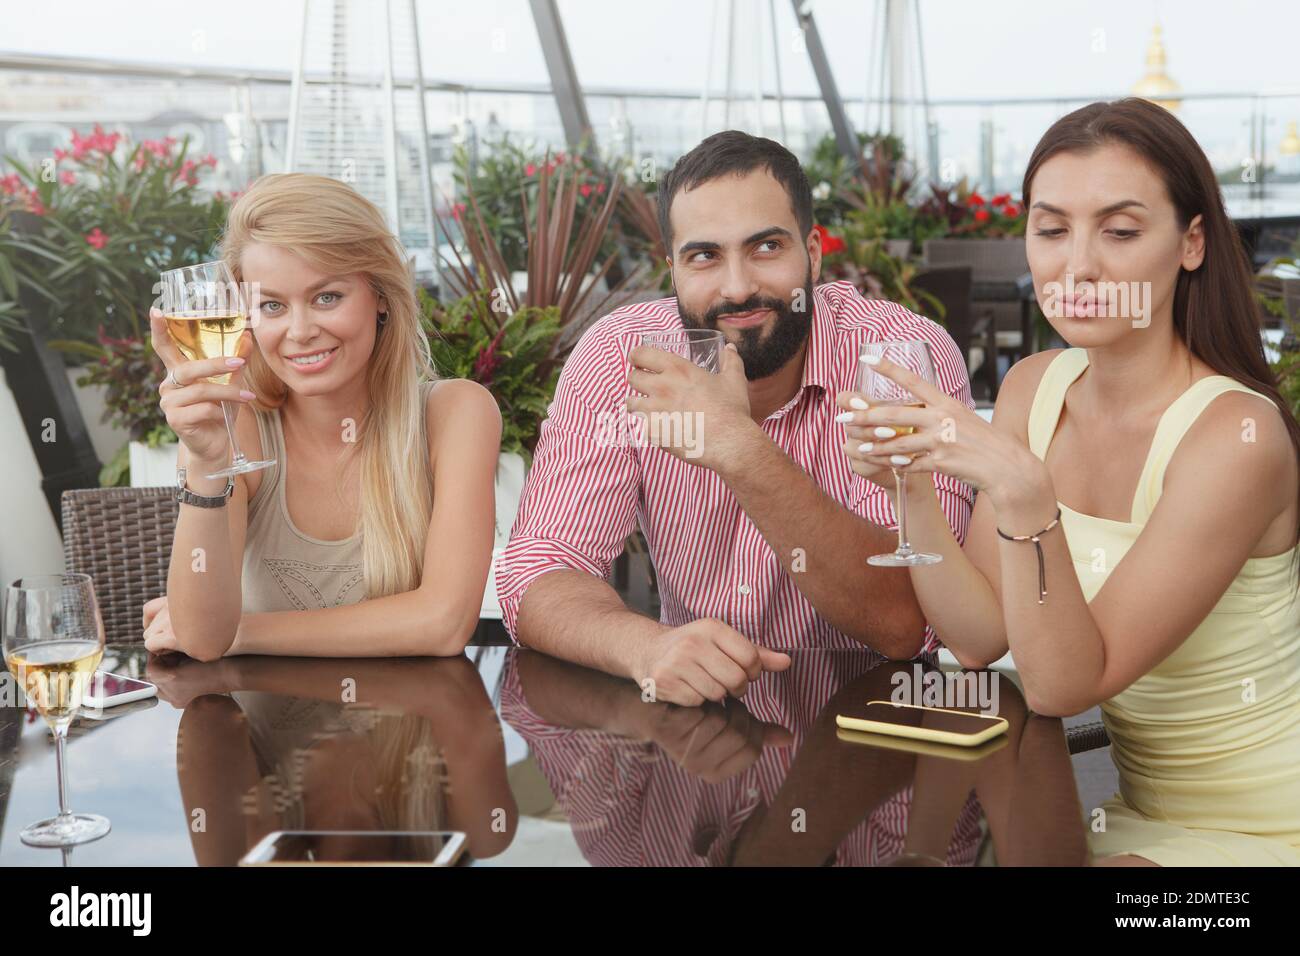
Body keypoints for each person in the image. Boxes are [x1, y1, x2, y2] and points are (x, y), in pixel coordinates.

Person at [839, 98, 1300, 865]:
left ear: (1191, 244)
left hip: (1272, 830)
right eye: (1051, 229)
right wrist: (912, 485)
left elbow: (1061, 687)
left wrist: (1025, 496)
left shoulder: (1234, 438)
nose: (1077, 264)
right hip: (1138, 821)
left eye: (1119, 231)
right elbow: (980, 636)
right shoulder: (1034, 386)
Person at [497, 130, 974, 706]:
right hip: (696, 737)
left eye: (767, 248)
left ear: (814, 253)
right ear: (671, 268)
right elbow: (540, 570)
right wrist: (645, 647)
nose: (739, 286)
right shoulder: (620, 356)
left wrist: (738, 447)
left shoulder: (897, 355)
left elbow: (908, 624)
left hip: (879, 733)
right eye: (704, 256)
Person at [144, 172, 501, 660]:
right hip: (261, 737)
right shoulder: (233, 424)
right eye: (271, 305)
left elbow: (443, 624)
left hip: (417, 731)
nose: (300, 330)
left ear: (379, 295)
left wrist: (245, 631)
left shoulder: (455, 413)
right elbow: (205, 641)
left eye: (326, 297)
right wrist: (207, 466)